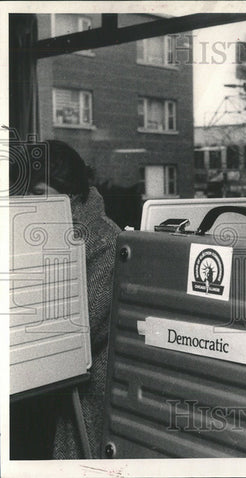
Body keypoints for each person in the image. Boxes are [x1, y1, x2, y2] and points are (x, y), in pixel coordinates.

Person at [25, 140, 120, 458]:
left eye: (37, 194)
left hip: (84, 396)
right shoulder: (43, 232)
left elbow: (80, 332)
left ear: (70, 194)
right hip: (47, 385)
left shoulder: (105, 241)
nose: (26, 203)